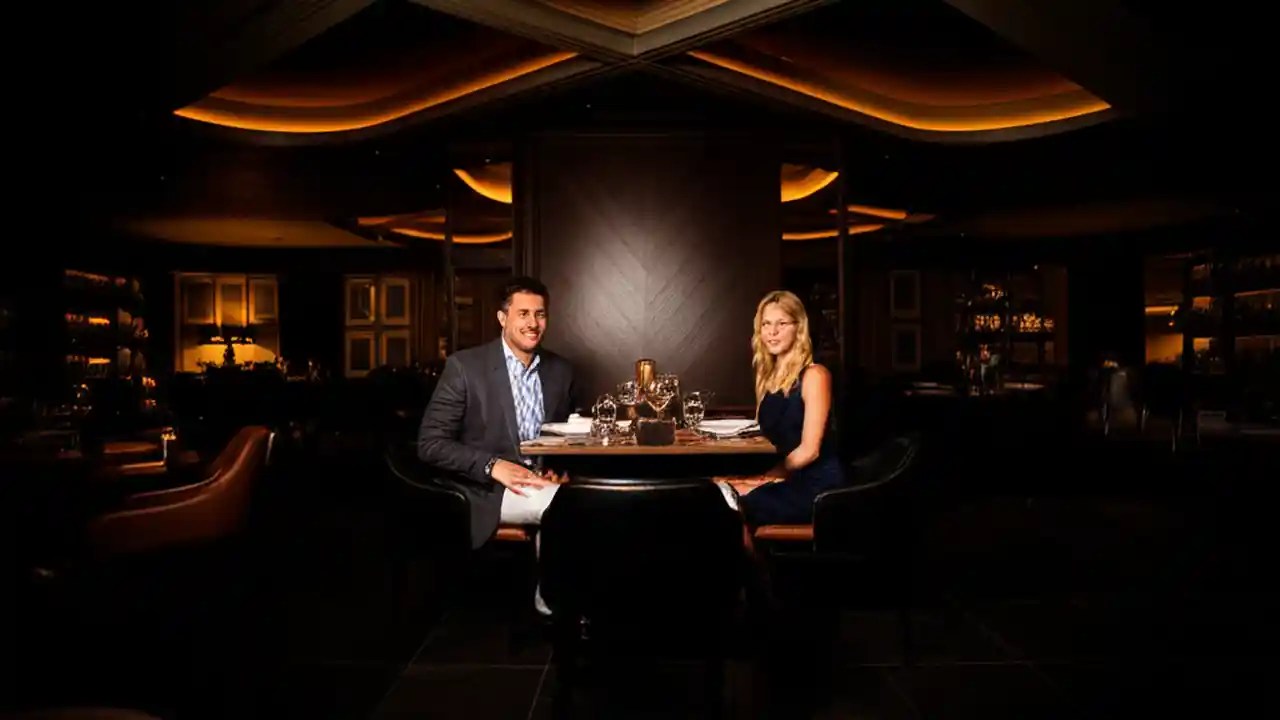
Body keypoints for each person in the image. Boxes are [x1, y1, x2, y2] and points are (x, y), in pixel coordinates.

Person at [418, 276, 578, 554]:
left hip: (541, 483)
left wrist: (558, 471)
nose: (533, 323)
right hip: (486, 491)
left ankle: (549, 596)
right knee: (569, 511)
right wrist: (493, 465)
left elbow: (562, 436)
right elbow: (430, 445)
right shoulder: (465, 367)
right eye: (523, 314)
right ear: (502, 318)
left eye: (540, 314)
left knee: (591, 503)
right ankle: (551, 599)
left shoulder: (560, 371)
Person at [738, 290, 845, 527]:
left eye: (781, 323)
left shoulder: (815, 375)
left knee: (736, 507)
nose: (772, 332)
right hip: (788, 478)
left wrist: (763, 480)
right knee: (722, 496)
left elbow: (810, 451)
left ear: (798, 328)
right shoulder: (769, 377)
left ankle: (752, 565)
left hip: (816, 486)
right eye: (766, 324)